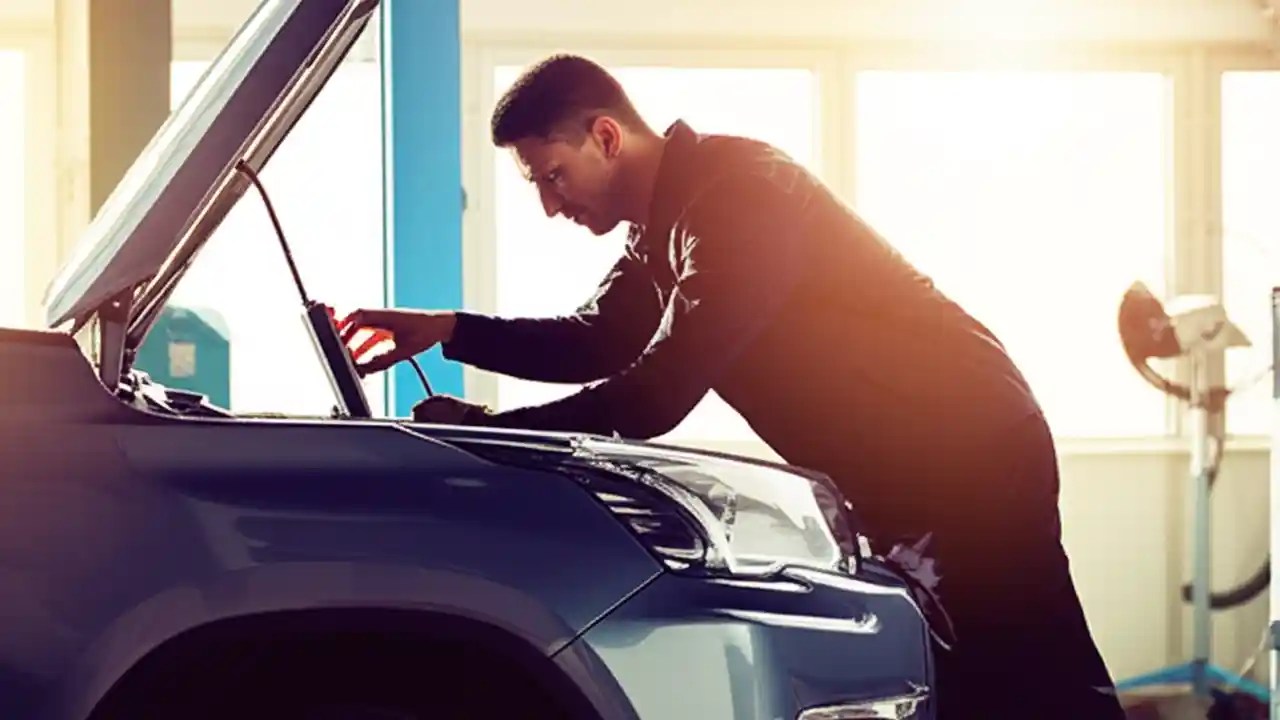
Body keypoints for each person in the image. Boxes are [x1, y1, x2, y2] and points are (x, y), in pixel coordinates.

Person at [340, 54, 1125, 719]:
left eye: (554, 175)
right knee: (963, 686)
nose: (551, 204)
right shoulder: (667, 222)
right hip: (905, 464)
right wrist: (448, 328)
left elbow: (656, 396)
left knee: (1032, 677)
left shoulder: (737, 194)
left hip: (968, 447)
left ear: (605, 137)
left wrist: (490, 435)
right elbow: (602, 339)